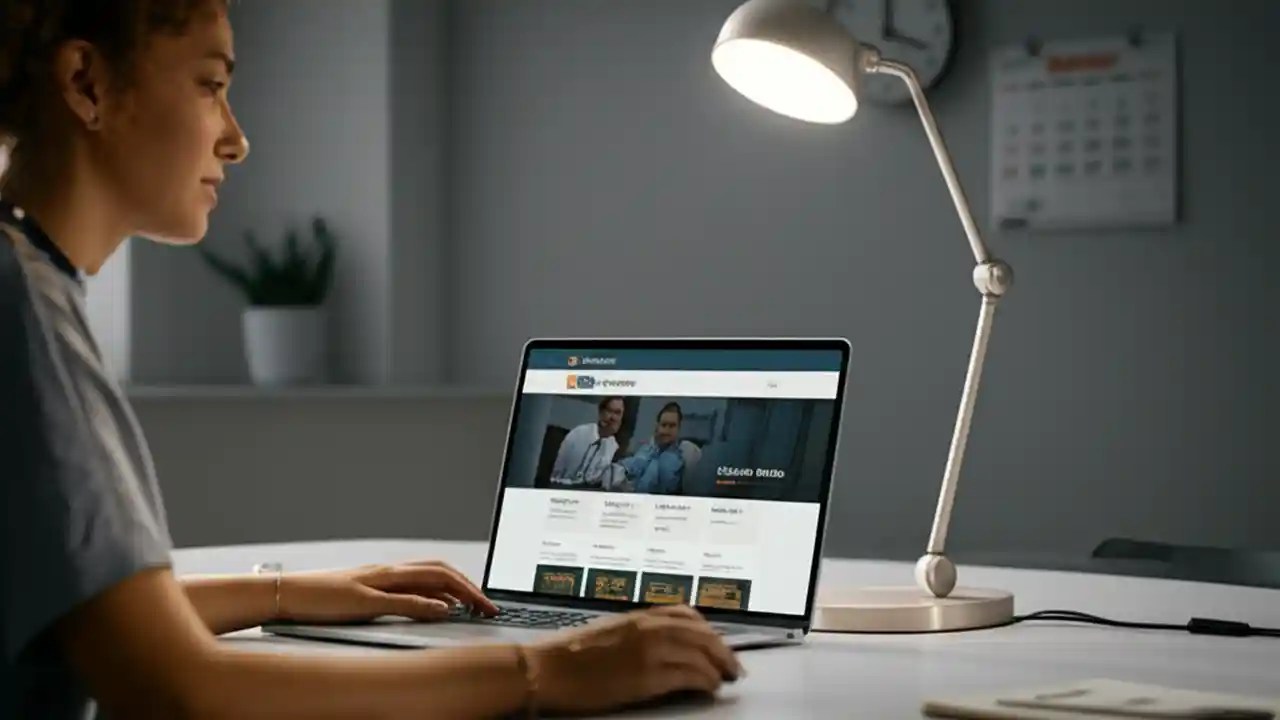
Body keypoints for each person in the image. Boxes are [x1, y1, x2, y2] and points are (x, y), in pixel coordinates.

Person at [0, 2, 740, 717]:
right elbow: (174, 689)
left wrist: (294, 592)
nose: (235, 139)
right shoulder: (22, 310)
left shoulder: (26, 283)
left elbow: (91, 622)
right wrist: (545, 668)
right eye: (212, 85)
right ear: (87, 85)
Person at [548, 396, 623, 488]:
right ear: (601, 413)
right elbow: (557, 471)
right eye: (610, 411)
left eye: (618, 413)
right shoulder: (579, 433)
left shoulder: (613, 448)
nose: (613, 418)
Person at [619, 402, 686, 495]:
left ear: (678, 429)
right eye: (664, 425)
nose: (666, 430)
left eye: (672, 426)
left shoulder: (676, 461)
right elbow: (630, 466)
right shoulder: (646, 449)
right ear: (657, 427)